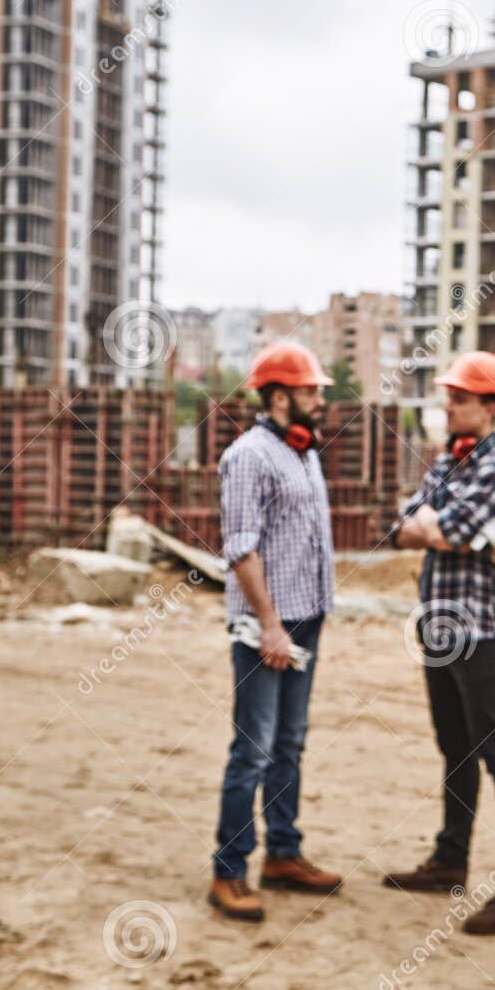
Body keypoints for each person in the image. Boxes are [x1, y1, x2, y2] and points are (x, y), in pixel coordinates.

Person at [383, 350, 495, 936]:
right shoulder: (449, 460)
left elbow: (444, 529)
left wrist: (432, 526)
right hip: (440, 633)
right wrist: (430, 527)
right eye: (449, 396)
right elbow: (405, 528)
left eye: (460, 398)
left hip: (484, 635)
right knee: (455, 749)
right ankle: (450, 859)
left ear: (492, 408)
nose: (448, 406)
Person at [208, 341, 346, 922]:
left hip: (306, 618)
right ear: (282, 395)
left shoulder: (304, 452)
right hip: (267, 624)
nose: (321, 400)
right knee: (254, 749)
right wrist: (269, 625)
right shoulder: (249, 457)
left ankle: (283, 853)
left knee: (289, 742)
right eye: (313, 390)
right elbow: (240, 547)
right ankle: (230, 869)